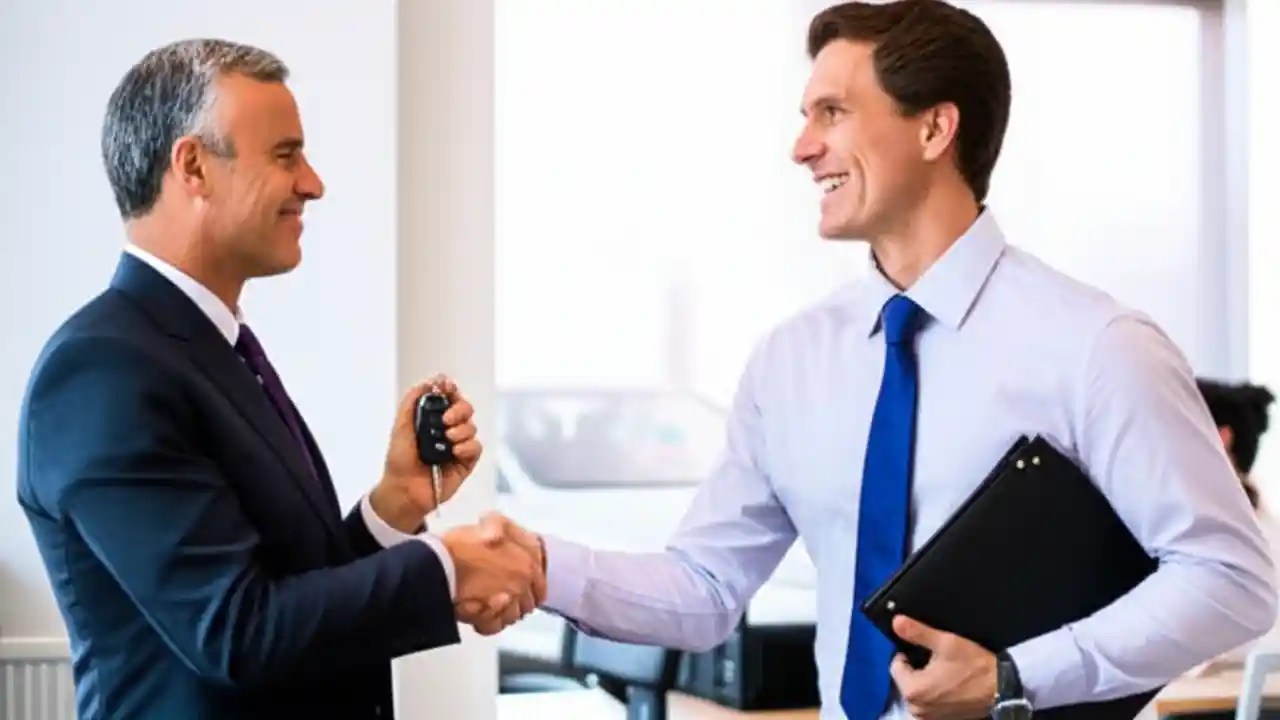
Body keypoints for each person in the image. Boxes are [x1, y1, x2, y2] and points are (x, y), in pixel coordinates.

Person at [471, 2, 1278, 719]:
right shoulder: (792, 362)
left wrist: (1013, 677)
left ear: (934, 129)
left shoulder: (1096, 346)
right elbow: (706, 590)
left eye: (833, 112)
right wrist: (544, 569)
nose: (801, 146)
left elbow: (1232, 578)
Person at [15, 39, 541, 719]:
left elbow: (287, 590)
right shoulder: (101, 373)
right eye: (286, 155)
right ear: (194, 166)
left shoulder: (212, 348)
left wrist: (394, 507)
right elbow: (237, 633)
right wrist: (447, 569)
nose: (312, 183)